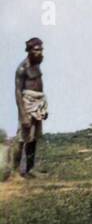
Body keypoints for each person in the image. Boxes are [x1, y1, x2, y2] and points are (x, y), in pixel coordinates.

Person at [12, 37, 48, 177]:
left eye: (41, 50)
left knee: (33, 138)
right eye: (36, 50)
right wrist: (23, 115)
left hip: (37, 103)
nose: (40, 53)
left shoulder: (37, 65)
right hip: (27, 104)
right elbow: (18, 91)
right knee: (23, 138)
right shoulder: (22, 68)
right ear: (29, 51)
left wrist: (43, 106)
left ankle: (30, 169)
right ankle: (15, 172)